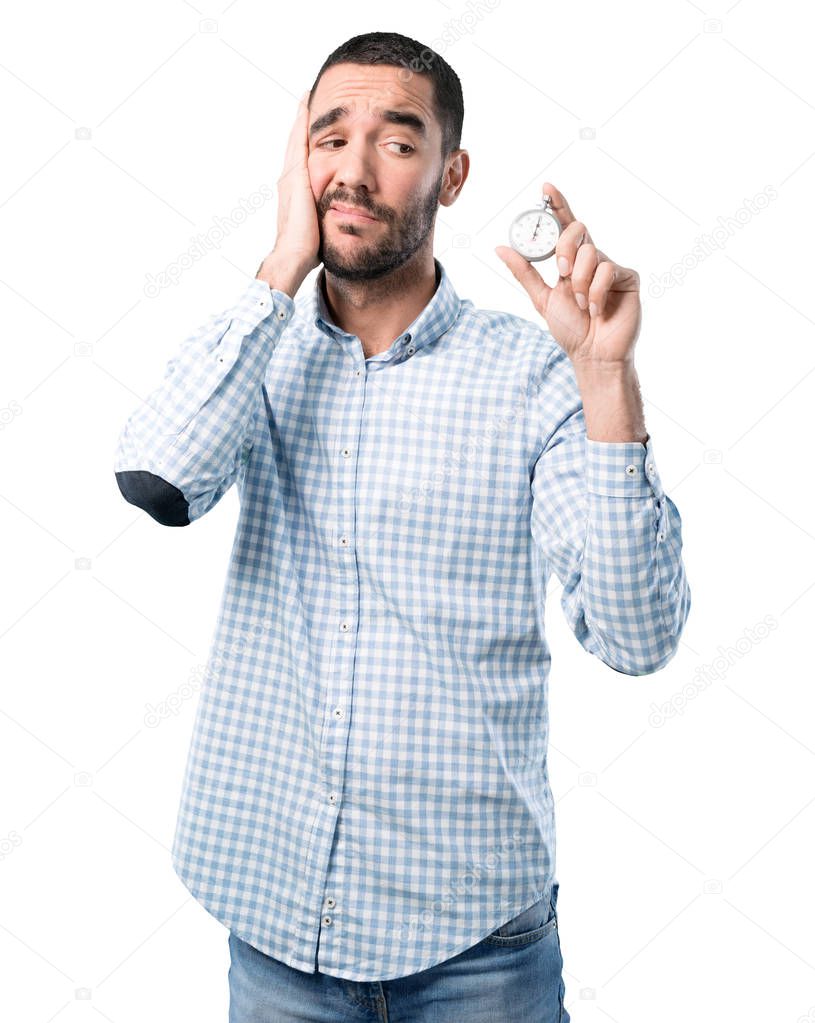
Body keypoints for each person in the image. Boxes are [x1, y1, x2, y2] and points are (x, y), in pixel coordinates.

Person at [113, 30, 691, 1023]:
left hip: (474, 946)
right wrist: (284, 260)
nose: (351, 170)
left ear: (450, 175)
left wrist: (604, 378)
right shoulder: (257, 353)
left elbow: (636, 638)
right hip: (274, 922)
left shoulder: (534, 378)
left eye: (394, 141)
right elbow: (156, 480)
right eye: (326, 138)